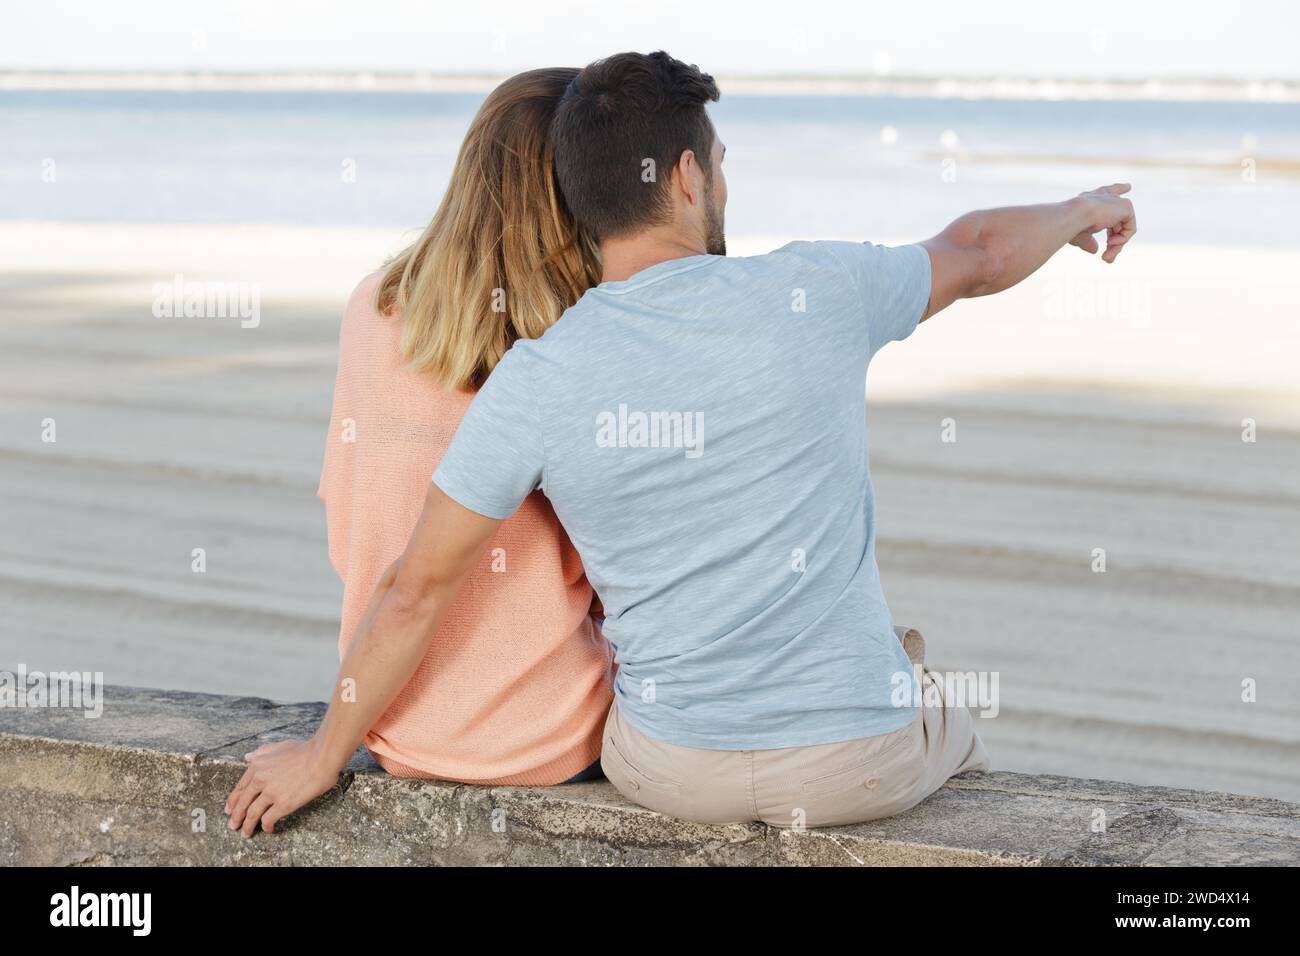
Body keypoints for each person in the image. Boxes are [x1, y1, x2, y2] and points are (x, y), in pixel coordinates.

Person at [225, 51, 1136, 834]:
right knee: (938, 712)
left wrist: (322, 755)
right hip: (849, 762)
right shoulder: (818, 287)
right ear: (690, 178)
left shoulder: (535, 372)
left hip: (661, 767)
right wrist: (1080, 208)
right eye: (724, 164)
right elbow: (978, 251)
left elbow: (411, 588)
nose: (728, 185)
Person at [228, 68, 613, 833]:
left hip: (399, 727)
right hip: (556, 741)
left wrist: (326, 748)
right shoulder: (576, 338)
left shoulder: (372, 305)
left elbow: (352, 522)